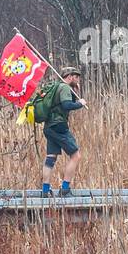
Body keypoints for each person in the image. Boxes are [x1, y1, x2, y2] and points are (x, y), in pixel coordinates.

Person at [40, 67, 86, 197]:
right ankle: (65, 189)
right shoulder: (65, 87)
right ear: (70, 76)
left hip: (49, 127)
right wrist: (80, 103)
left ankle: (45, 190)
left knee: (51, 157)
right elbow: (66, 105)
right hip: (59, 126)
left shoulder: (55, 87)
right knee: (76, 156)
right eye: (76, 77)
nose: (78, 79)